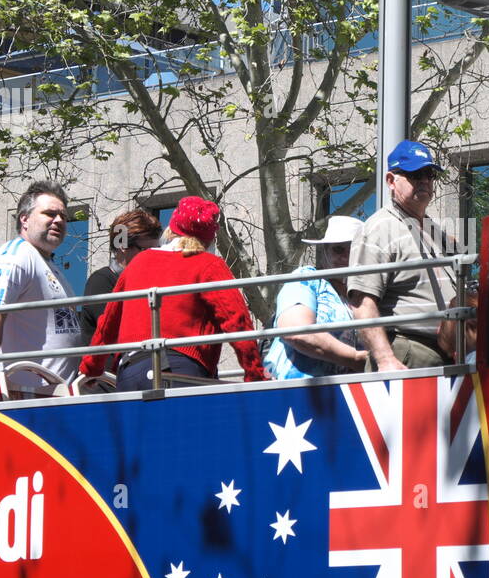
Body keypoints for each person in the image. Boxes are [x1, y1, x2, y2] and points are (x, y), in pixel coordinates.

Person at [79, 196, 266, 390]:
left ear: (172, 228)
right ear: (210, 238)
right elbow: (237, 322)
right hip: (181, 370)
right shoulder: (209, 265)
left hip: (129, 372)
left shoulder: (138, 263)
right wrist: (255, 375)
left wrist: (91, 367)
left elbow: (108, 323)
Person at [347, 140, 457, 372]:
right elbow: (361, 302)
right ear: (391, 180)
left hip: (449, 355)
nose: (425, 180)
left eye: (429, 174)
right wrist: (386, 359)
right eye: (415, 174)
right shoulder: (378, 228)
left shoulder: (433, 230)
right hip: (408, 353)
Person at [0, 180, 83, 393]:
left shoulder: (51, 265)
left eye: (63, 216)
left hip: (60, 395)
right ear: (24, 220)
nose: (59, 220)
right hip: (27, 398)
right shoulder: (16, 256)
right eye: (50, 214)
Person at [263, 215, 368, 380]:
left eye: (354, 250)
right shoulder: (307, 279)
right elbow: (296, 332)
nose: (346, 257)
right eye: (339, 249)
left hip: (345, 395)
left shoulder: (363, 296)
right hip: (296, 393)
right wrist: (355, 358)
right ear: (325, 251)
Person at [81, 209, 163, 345]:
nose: (154, 257)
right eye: (147, 251)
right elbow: (115, 331)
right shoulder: (101, 281)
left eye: (157, 250)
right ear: (123, 246)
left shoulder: (152, 283)